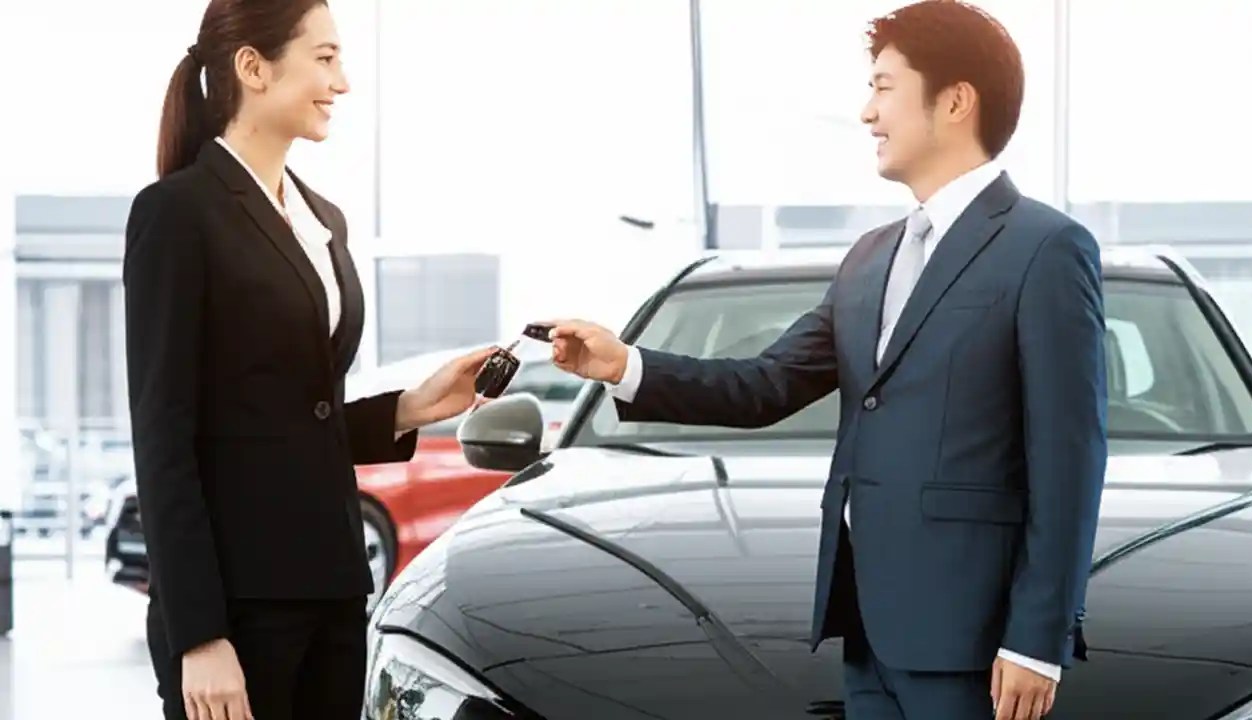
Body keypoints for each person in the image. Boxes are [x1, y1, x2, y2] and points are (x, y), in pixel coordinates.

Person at [546, 2, 1106, 718]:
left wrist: (1037, 640)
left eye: (883, 87)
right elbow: (767, 384)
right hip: (867, 632)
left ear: (956, 100)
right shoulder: (870, 257)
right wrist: (624, 364)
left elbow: (1069, 459)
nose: (867, 113)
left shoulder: (1045, 248)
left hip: (975, 644)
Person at [123, 2, 497, 718]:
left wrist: (412, 407)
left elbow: (294, 416)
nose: (342, 81)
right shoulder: (178, 214)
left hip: (333, 587)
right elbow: (163, 437)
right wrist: (199, 634)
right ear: (253, 67)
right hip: (237, 606)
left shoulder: (324, 220)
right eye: (324, 58)